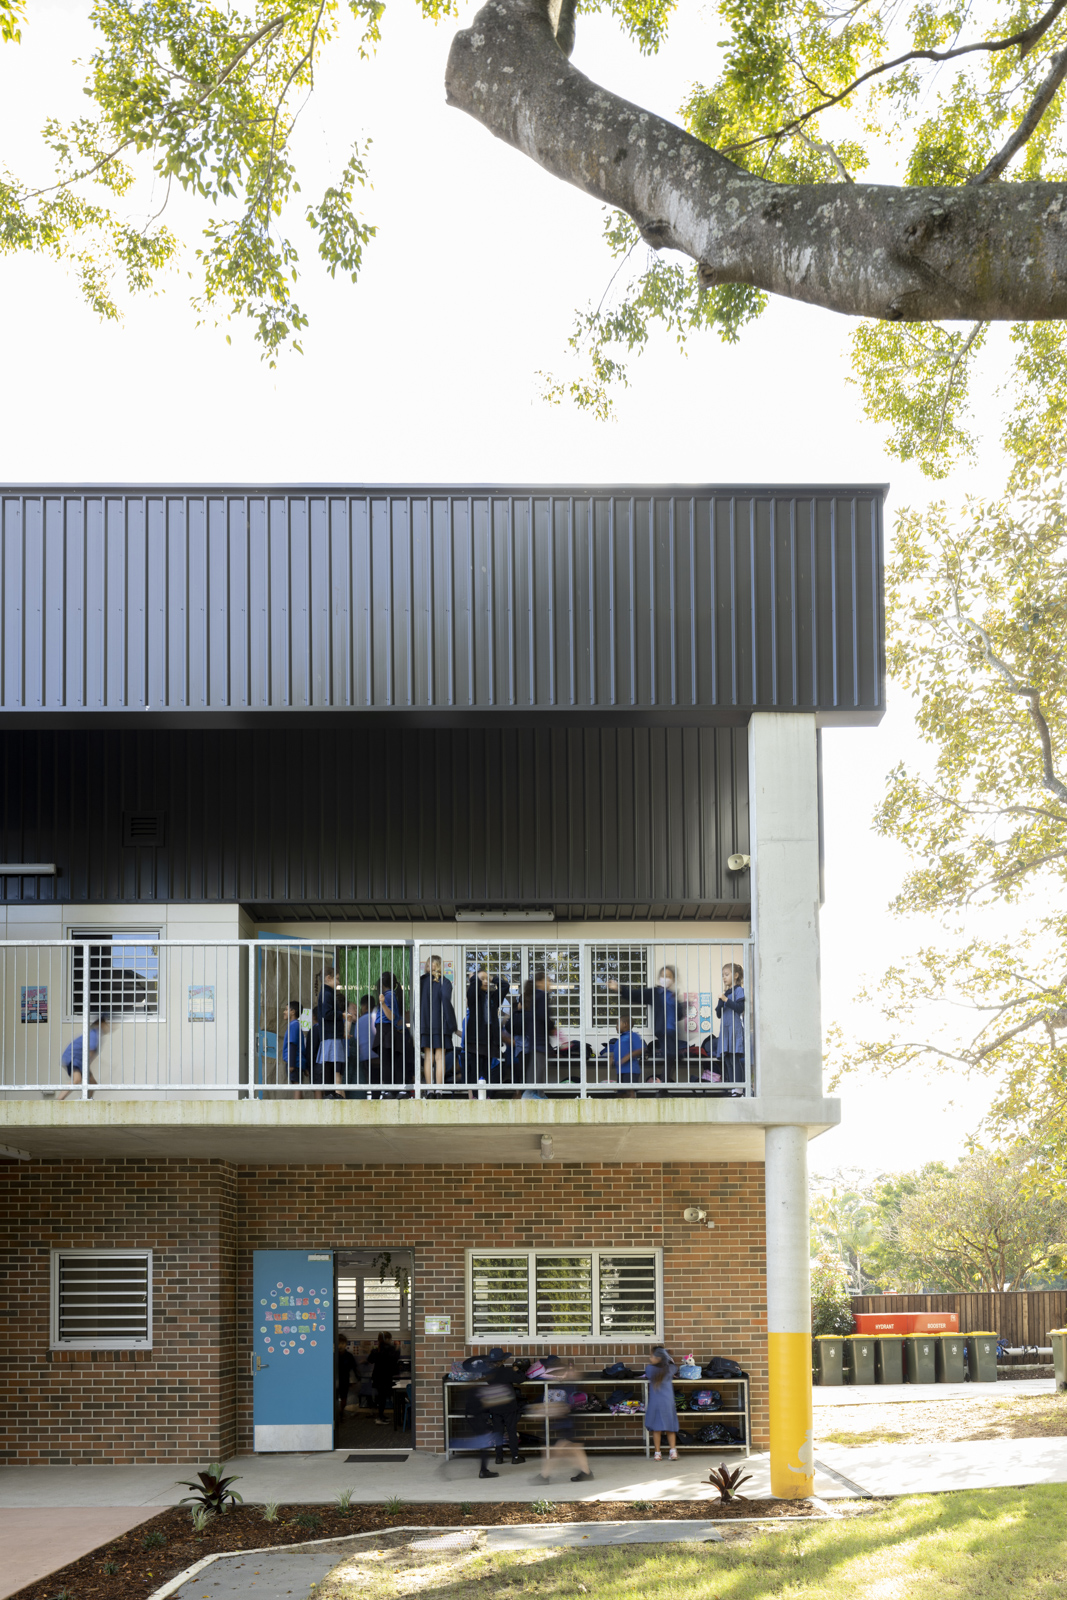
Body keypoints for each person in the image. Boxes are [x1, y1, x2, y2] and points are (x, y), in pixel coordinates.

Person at [607, 965, 680, 1082]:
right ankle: (663, 1087)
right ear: (659, 978)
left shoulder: (672, 995)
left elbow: (679, 1015)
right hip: (663, 1030)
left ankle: (664, 1086)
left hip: (672, 1032)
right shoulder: (655, 993)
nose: (665, 978)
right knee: (671, 1055)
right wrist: (620, 988)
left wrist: (683, 1004)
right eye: (663, 976)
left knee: (672, 1056)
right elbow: (637, 994)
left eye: (668, 976)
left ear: (673, 980)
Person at [532, 1361, 592, 1483]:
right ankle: (586, 1472)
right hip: (559, 1424)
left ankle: (544, 1476)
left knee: (556, 1450)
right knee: (574, 1449)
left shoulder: (571, 1387)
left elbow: (565, 1406)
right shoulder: (554, 1386)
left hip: (568, 1423)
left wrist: (548, 1410)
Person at [482, 1349, 527, 1465]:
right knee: (511, 1431)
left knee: (498, 1431)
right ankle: (515, 1457)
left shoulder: (488, 1373)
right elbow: (521, 1380)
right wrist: (517, 1371)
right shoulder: (507, 1372)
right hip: (509, 1406)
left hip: (495, 1406)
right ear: (503, 1360)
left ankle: (499, 1457)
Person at [420, 956, 458, 1090]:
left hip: (425, 1024)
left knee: (428, 1057)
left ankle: (430, 1089)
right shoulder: (445, 982)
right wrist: (453, 1025)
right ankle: (439, 1090)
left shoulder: (421, 981)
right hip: (441, 1025)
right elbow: (446, 1001)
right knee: (439, 1058)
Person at [377, 972, 415, 1089]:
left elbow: (392, 1016)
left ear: (382, 983)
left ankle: (388, 1088)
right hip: (387, 1029)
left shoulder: (388, 996)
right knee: (390, 1061)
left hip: (385, 1029)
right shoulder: (390, 995)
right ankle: (392, 1088)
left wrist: (382, 1004)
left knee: (386, 1062)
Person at [58, 1015, 111, 1098]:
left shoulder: (95, 1034)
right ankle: (58, 1100)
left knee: (93, 1084)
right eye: (106, 1023)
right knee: (76, 1079)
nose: (108, 1026)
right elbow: (90, 1052)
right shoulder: (94, 1034)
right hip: (74, 1057)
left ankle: (86, 1100)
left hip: (78, 1059)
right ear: (101, 1024)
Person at [313, 966, 346, 1099]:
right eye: (336, 979)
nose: (338, 982)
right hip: (330, 1034)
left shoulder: (326, 993)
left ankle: (331, 1093)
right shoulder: (326, 994)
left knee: (331, 1064)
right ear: (328, 978)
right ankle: (330, 1093)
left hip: (330, 1034)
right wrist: (341, 1015)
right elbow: (327, 1014)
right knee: (331, 1064)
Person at [465, 968, 502, 1084]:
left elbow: (505, 986)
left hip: (489, 1039)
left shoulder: (492, 996)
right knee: (475, 1069)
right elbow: (472, 991)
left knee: (487, 1070)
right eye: (482, 979)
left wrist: (492, 979)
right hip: (475, 1038)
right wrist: (474, 979)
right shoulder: (473, 996)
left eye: (487, 979)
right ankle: (475, 1097)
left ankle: (486, 1096)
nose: (485, 981)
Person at [713, 963, 746, 1094]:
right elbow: (719, 1015)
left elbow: (739, 1008)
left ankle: (739, 1087)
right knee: (727, 1060)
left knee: (734, 1058)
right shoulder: (725, 993)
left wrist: (726, 1000)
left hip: (734, 1029)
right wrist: (720, 1004)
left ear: (736, 975)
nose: (724, 978)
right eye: (723, 976)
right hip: (725, 1030)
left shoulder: (739, 990)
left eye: (726, 975)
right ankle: (732, 1086)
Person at [644, 1345, 679, 1461]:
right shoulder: (670, 1369)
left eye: (652, 1356)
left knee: (656, 1428)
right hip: (668, 1401)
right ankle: (673, 1451)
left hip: (655, 1402)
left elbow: (649, 1373)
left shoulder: (649, 1369)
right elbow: (674, 1366)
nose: (650, 1358)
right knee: (670, 1427)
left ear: (658, 1358)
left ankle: (657, 1453)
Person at [521, 968, 554, 1089]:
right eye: (548, 980)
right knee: (539, 1069)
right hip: (540, 1040)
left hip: (535, 1039)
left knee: (535, 1068)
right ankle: (533, 1094)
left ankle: (535, 1093)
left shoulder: (535, 997)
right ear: (540, 982)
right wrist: (551, 1026)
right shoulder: (541, 996)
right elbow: (543, 1016)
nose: (550, 983)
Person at [608, 1011, 644, 1098]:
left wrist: (627, 1057)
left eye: (617, 1024)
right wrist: (612, 1058)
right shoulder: (620, 1039)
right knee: (621, 1092)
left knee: (629, 1091)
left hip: (630, 1070)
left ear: (625, 1024)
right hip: (621, 1071)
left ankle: (633, 1108)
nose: (616, 1026)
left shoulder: (633, 1035)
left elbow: (640, 1049)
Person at [369, 1330, 400, 1424]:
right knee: (383, 1397)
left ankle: (381, 1415)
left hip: (377, 1377)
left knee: (381, 1396)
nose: (391, 1340)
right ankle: (380, 1417)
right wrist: (398, 1349)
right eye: (390, 1339)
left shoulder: (376, 1349)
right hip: (385, 1377)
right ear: (386, 1339)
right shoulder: (390, 1348)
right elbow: (394, 1360)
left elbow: (370, 1360)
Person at [282, 1000, 309, 1096]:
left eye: (286, 1009)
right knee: (297, 1084)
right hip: (298, 1061)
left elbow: (292, 1044)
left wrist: (291, 1064)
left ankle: (297, 1105)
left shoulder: (293, 1025)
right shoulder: (296, 1025)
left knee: (296, 1085)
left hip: (295, 1061)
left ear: (292, 1012)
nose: (284, 1012)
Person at [336, 1333, 358, 1424]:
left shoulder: (348, 1356)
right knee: (335, 1398)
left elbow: (353, 1368)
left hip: (344, 1379)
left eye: (343, 1343)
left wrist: (355, 1380)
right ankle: (336, 1414)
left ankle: (340, 1413)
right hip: (334, 1379)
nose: (341, 1345)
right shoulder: (333, 1355)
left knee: (343, 1398)